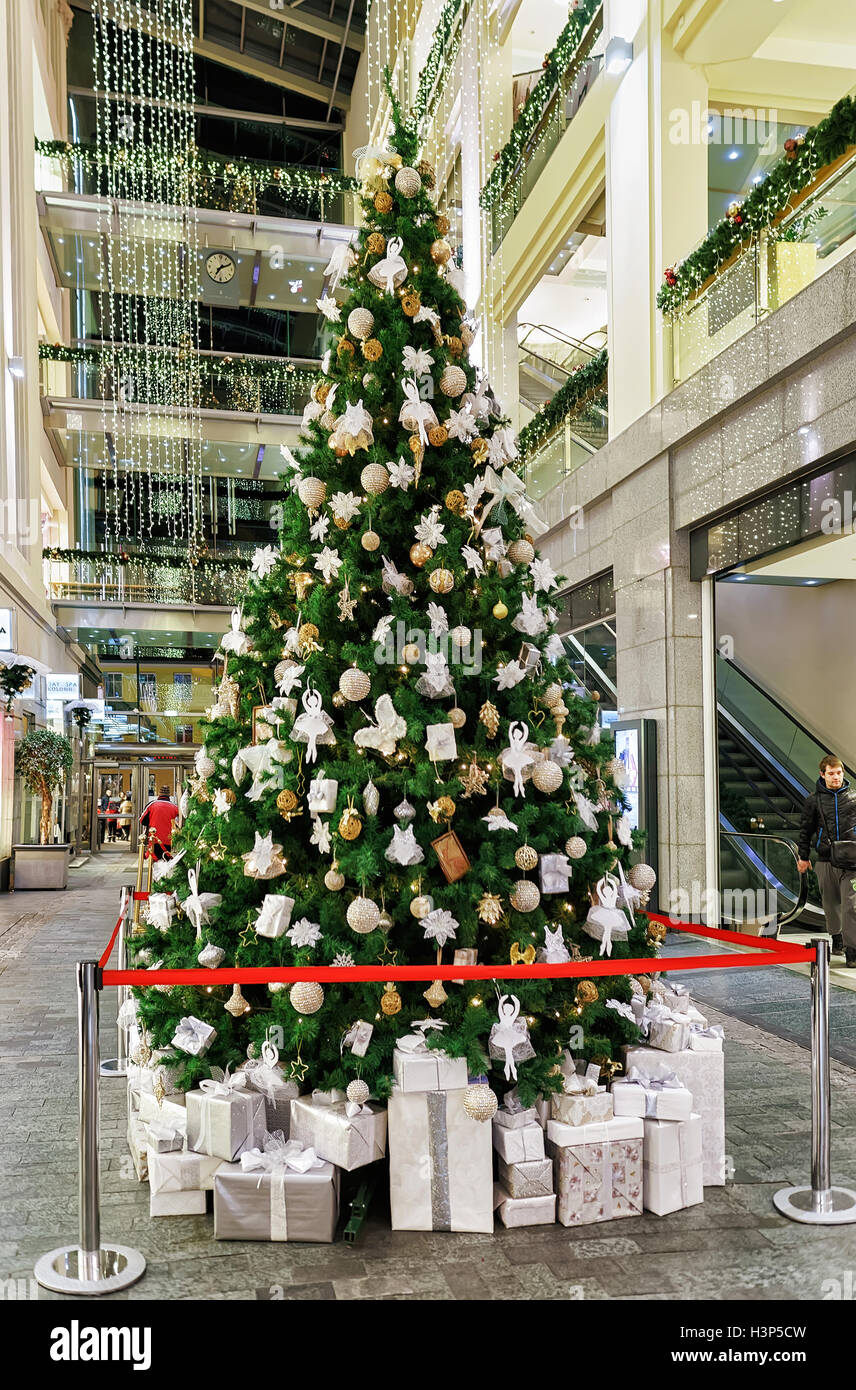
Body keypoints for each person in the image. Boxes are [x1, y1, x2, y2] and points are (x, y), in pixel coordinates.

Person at [797, 754, 856, 965]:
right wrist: (803, 857)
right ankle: (837, 937)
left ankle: (852, 951)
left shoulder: (853, 798)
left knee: (851, 906)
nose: (836, 777)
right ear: (822, 775)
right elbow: (806, 830)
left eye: (839, 773)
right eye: (831, 774)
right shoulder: (813, 801)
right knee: (831, 906)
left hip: (852, 863)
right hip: (825, 860)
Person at [139, 785, 179, 861]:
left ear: (159, 793)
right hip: (168, 841)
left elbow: (142, 820)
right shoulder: (175, 807)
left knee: (153, 863)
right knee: (166, 864)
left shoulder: (152, 805)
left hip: (154, 840)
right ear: (169, 795)